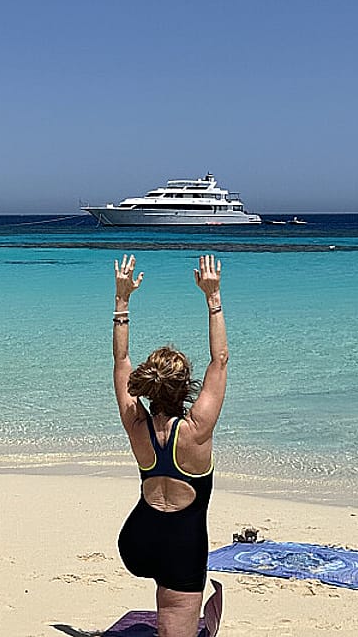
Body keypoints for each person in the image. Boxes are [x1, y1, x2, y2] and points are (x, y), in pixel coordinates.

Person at [112, 254, 227, 637]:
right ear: (186, 388)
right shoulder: (197, 430)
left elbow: (121, 359)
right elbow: (220, 361)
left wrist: (122, 300)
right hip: (181, 547)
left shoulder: (135, 424)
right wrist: (213, 298)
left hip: (136, 542)